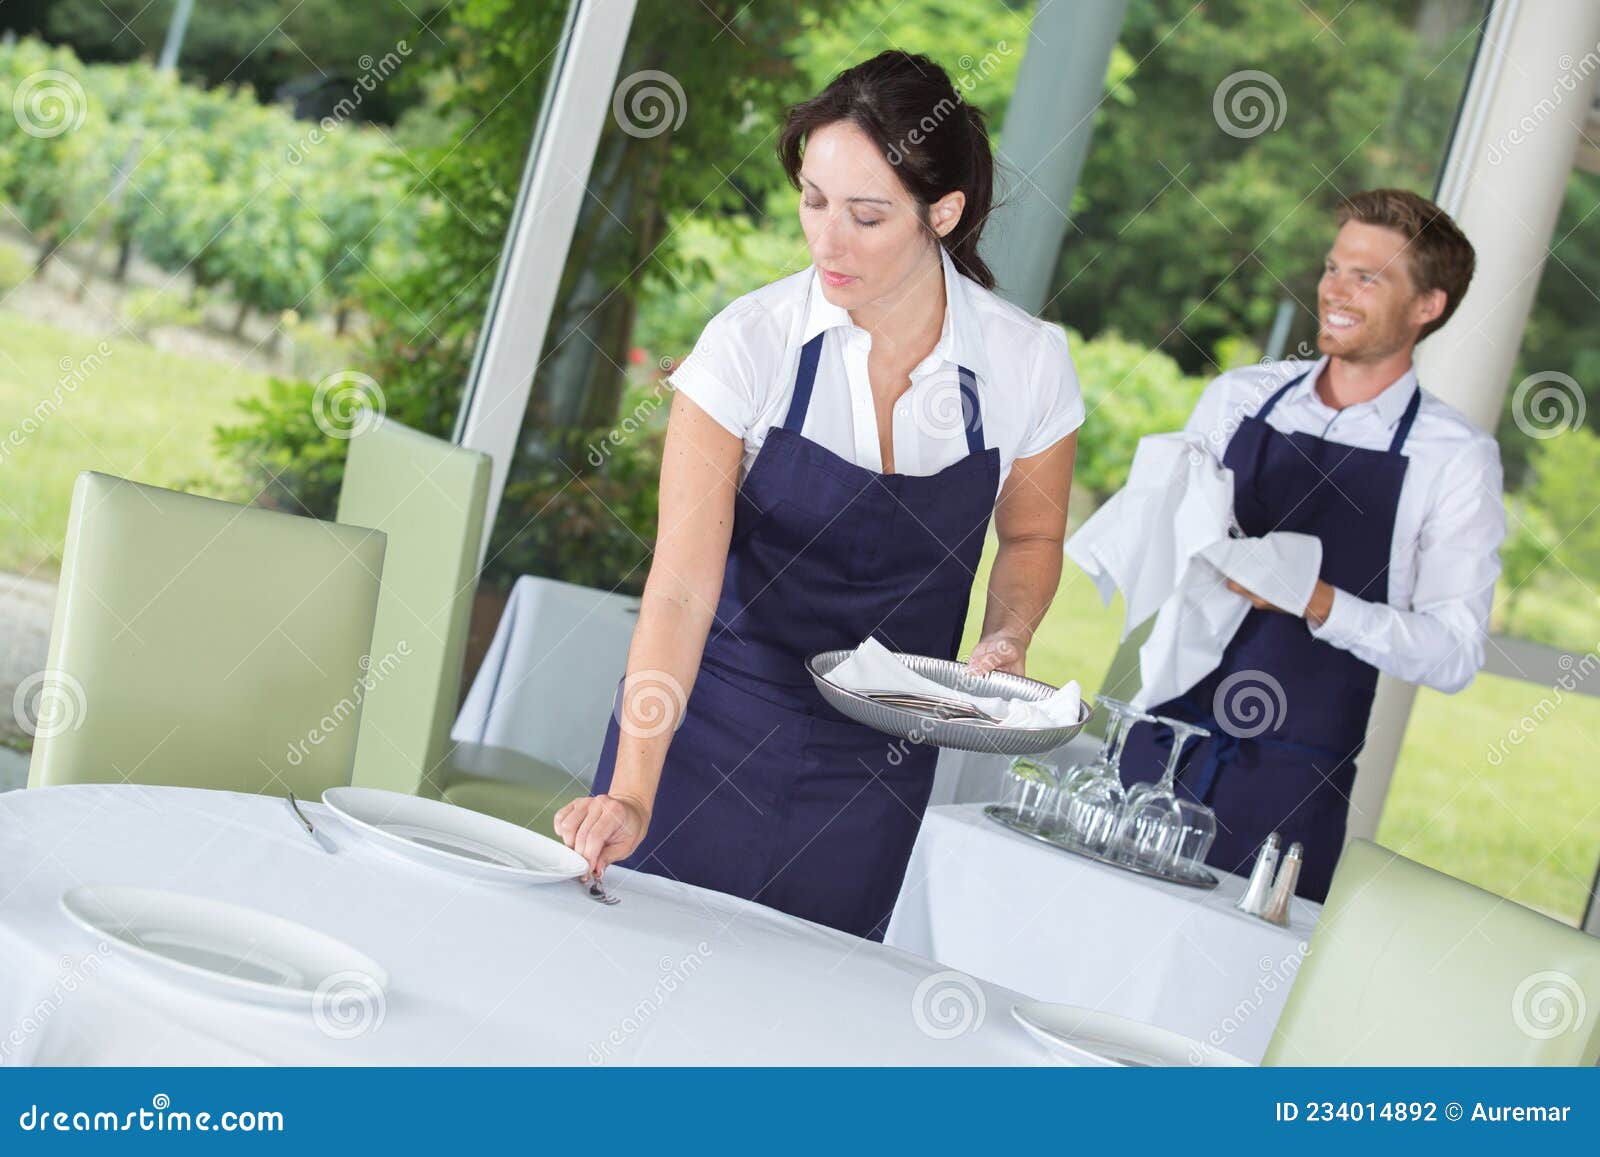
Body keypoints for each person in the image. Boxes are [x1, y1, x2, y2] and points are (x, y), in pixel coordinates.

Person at [554, 50, 1085, 939]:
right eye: (814, 200)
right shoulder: (747, 348)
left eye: (867, 215)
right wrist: (630, 789)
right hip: (705, 737)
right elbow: (681, 588)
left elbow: (1031, 538)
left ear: (943, 215)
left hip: (875, 773)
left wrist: (1008, 634)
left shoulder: (1025, 364)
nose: (827, 241)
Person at [1119, 188, 1504, 902]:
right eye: (1334, 267)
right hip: (1163, 737)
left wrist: (1318, 601)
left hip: (1288, 788)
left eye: (1370, 276)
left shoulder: (1454, 457)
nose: (1336, 289)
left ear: (1429, 306)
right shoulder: (1239, 397)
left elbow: (1455, 652)